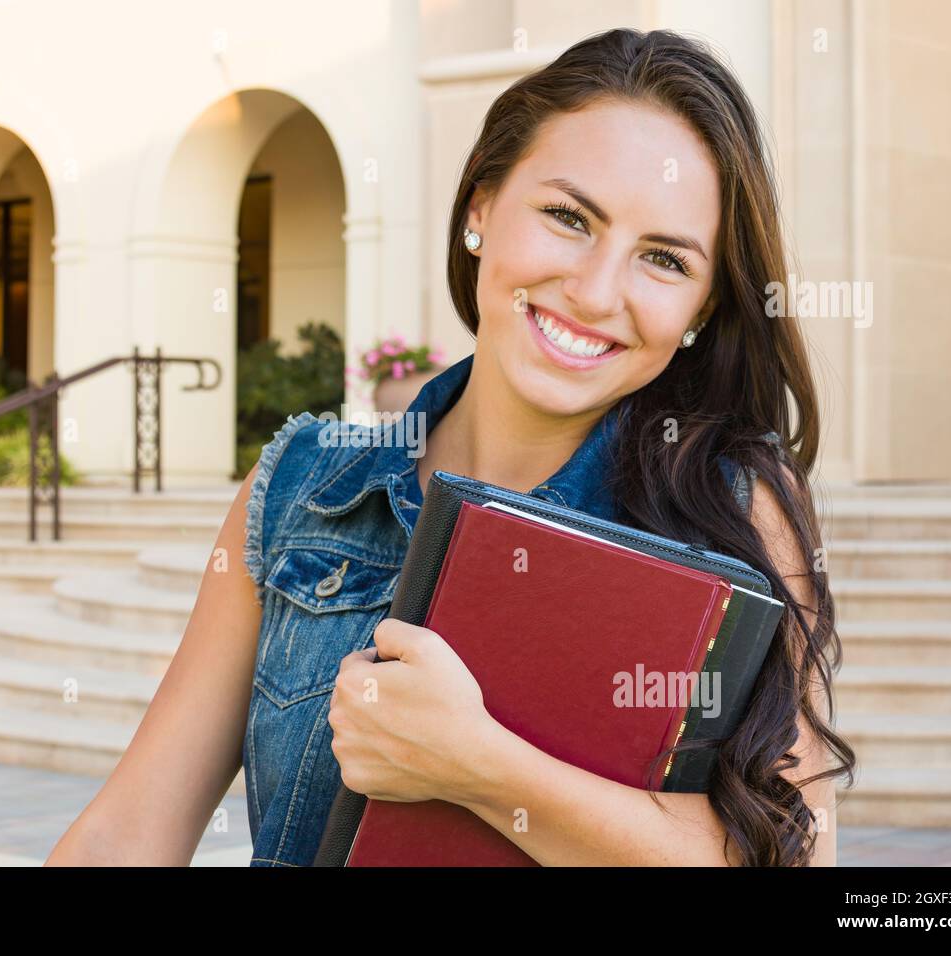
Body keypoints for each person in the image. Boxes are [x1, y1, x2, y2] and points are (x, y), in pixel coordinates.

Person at [46, 27, 855, 868]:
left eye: (662, 258)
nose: (595, 290)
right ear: (480, 209)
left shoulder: (733, 511)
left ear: (702, 310)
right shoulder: (299, 488)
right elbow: (128, 832)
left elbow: (792, 856)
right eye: (567, 217)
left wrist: (476, 766)